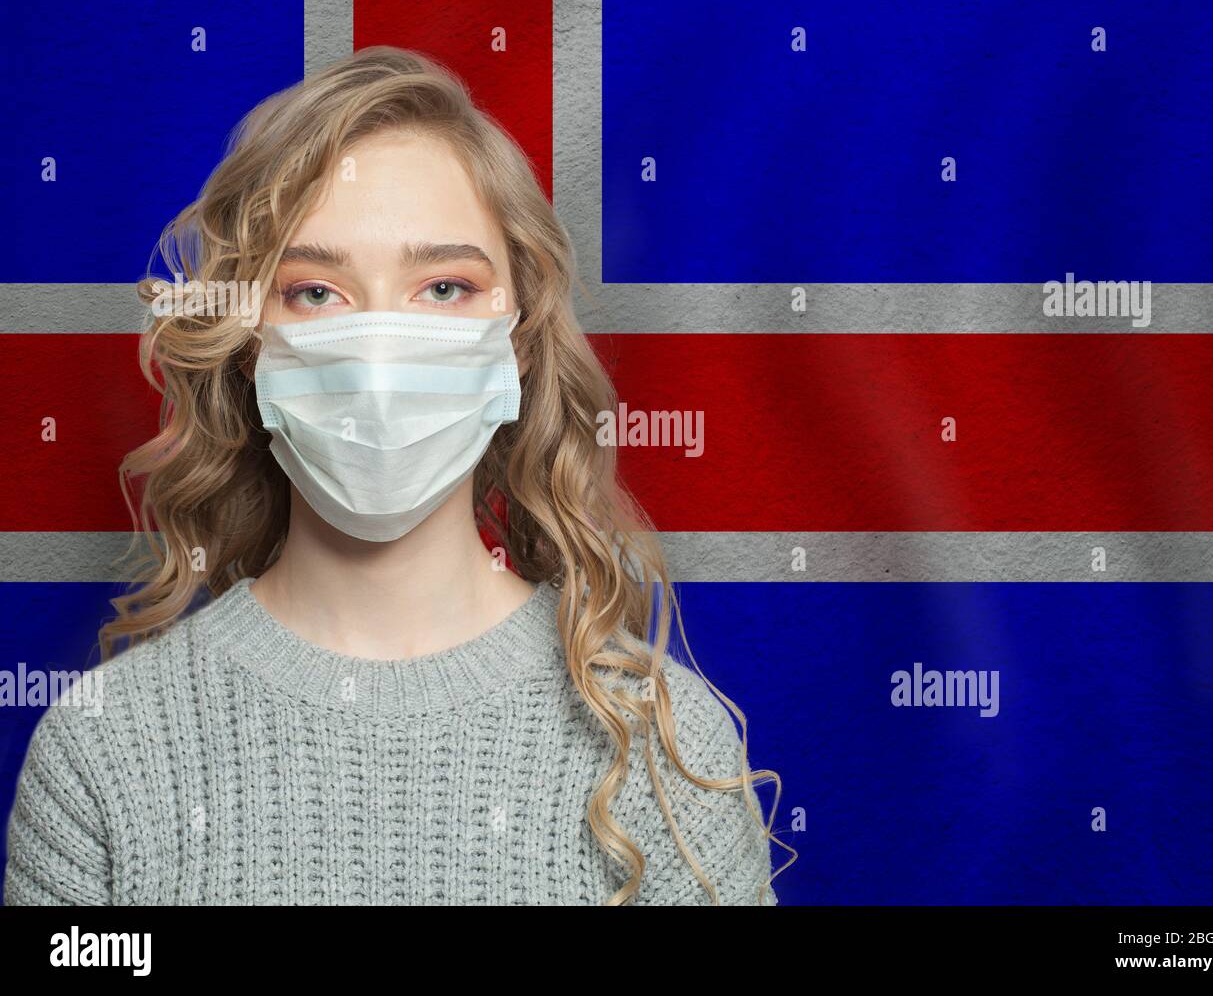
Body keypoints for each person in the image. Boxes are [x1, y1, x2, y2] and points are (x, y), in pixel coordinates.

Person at [3, 46, 786, 906]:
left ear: (517, 340)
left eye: (443, 287)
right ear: (246, 344)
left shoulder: (664, 753)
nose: (377, 350)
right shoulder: (105, 753)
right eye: (315, 291)